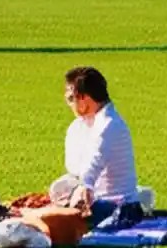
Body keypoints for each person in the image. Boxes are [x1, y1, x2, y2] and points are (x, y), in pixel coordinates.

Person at [55, 67, 140, 225]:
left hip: (117, 207)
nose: (69, 104)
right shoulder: (83, 124)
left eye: (71, 98)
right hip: (98, 198)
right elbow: (75, 166)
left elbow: (94, 161)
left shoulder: (109, 125)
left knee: (53, 220)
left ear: (84, 98)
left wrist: (85, 186)